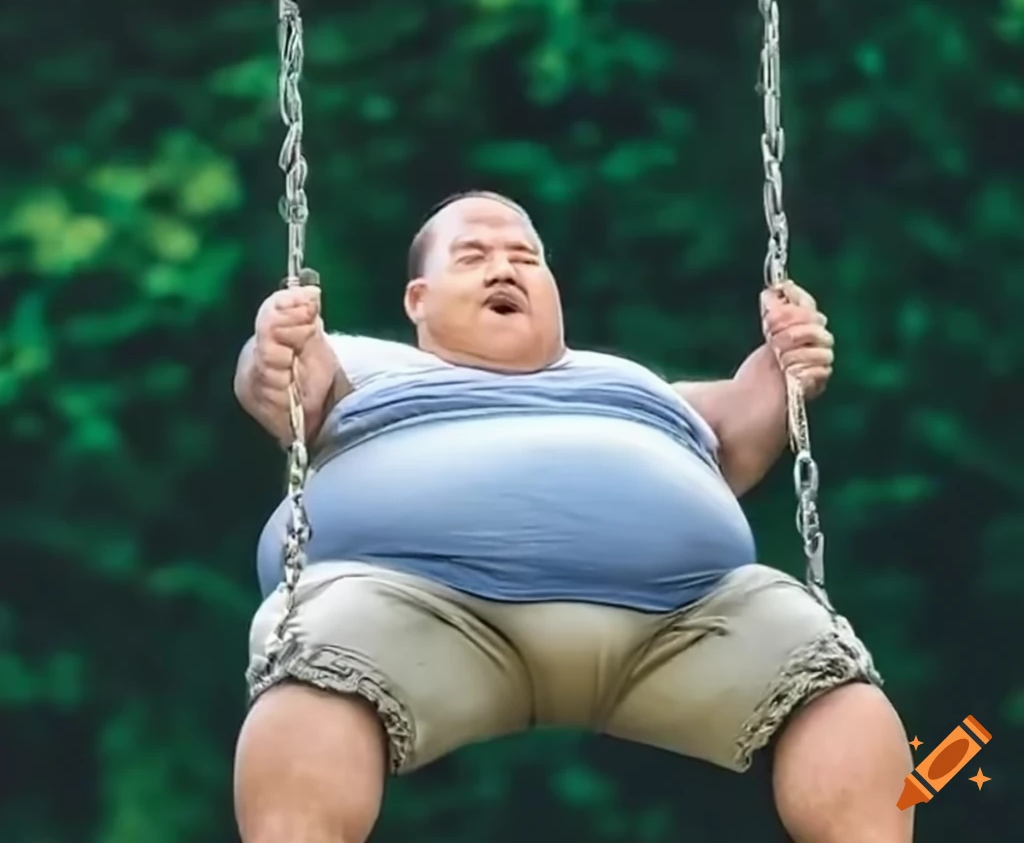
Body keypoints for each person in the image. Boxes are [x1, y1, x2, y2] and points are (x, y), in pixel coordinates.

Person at [232, 191, 913, 843]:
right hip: (411, 605)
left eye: (526, 257)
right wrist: (278, 344)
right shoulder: (364, 363)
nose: (505, 267)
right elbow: (284, 385)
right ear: (419, 298)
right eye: (472, 256)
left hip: (683, 617)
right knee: (315, 664)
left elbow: (739, 428)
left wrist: (782, 364)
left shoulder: (634, 385)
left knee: (828, 676)